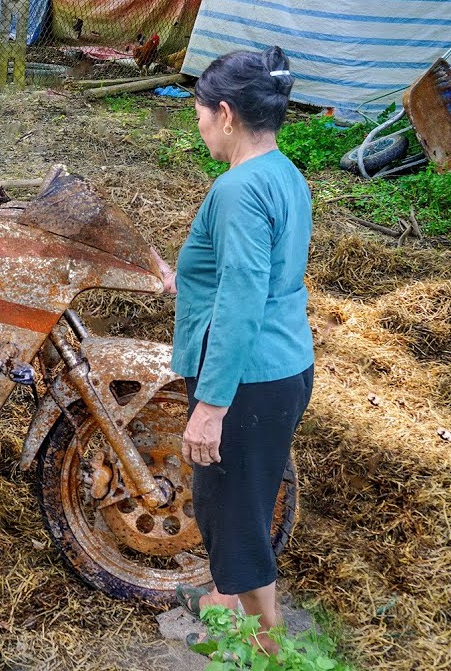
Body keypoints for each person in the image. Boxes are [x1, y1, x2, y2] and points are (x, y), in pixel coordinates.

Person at [151, 47, 314, 655]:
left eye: (197, 112)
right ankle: (222, 601)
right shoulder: (283, 173)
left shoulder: (238, 189)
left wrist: (212, 405)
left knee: (232, 517)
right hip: (285, 364)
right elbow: (260, 273)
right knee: (247, 493)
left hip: (245, 379)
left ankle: (272, 651)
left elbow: (244, 296)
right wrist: (186, 279)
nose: (197, 125)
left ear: (224, 113)